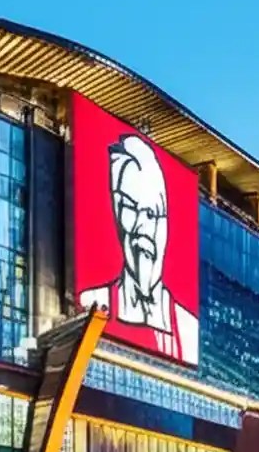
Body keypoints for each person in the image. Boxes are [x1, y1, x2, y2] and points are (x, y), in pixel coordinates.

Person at [78, 134, 199, 364]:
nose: (142, 227)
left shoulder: (189, 332)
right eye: (130, 208)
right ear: (116, 212)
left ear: (166, 224)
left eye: (151, 213)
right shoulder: (90, 303)